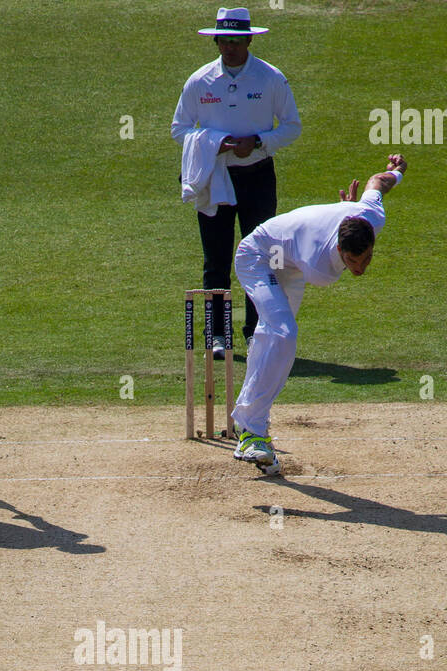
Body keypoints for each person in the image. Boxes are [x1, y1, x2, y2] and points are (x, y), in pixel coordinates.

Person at [230, 154, 408, 470]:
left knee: (269, 336)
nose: (361, 268)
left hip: (289, 258)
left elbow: (377, 182)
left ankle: (246, 421)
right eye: (353, 262)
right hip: (259, 256)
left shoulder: (370, 215)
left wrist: (397, 171)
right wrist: (341, 212)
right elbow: (315, 246)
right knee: (282, 333)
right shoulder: (320, 268)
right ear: (340, 251)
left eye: (366, 259)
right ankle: (252, 431)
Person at [172, 6, 301, 355]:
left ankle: (258, 329)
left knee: (260, 255)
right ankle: (216, 334)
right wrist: (213, 144)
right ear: (216, 42)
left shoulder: (271, 78)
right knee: (216, 259)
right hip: (215, 178)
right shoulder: (199, 81)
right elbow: (180, 128)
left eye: (236, 41)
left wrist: (257, 142)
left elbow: (291, 126)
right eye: (223, 41)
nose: (229, 48)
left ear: (248, 40)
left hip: (257, 177)